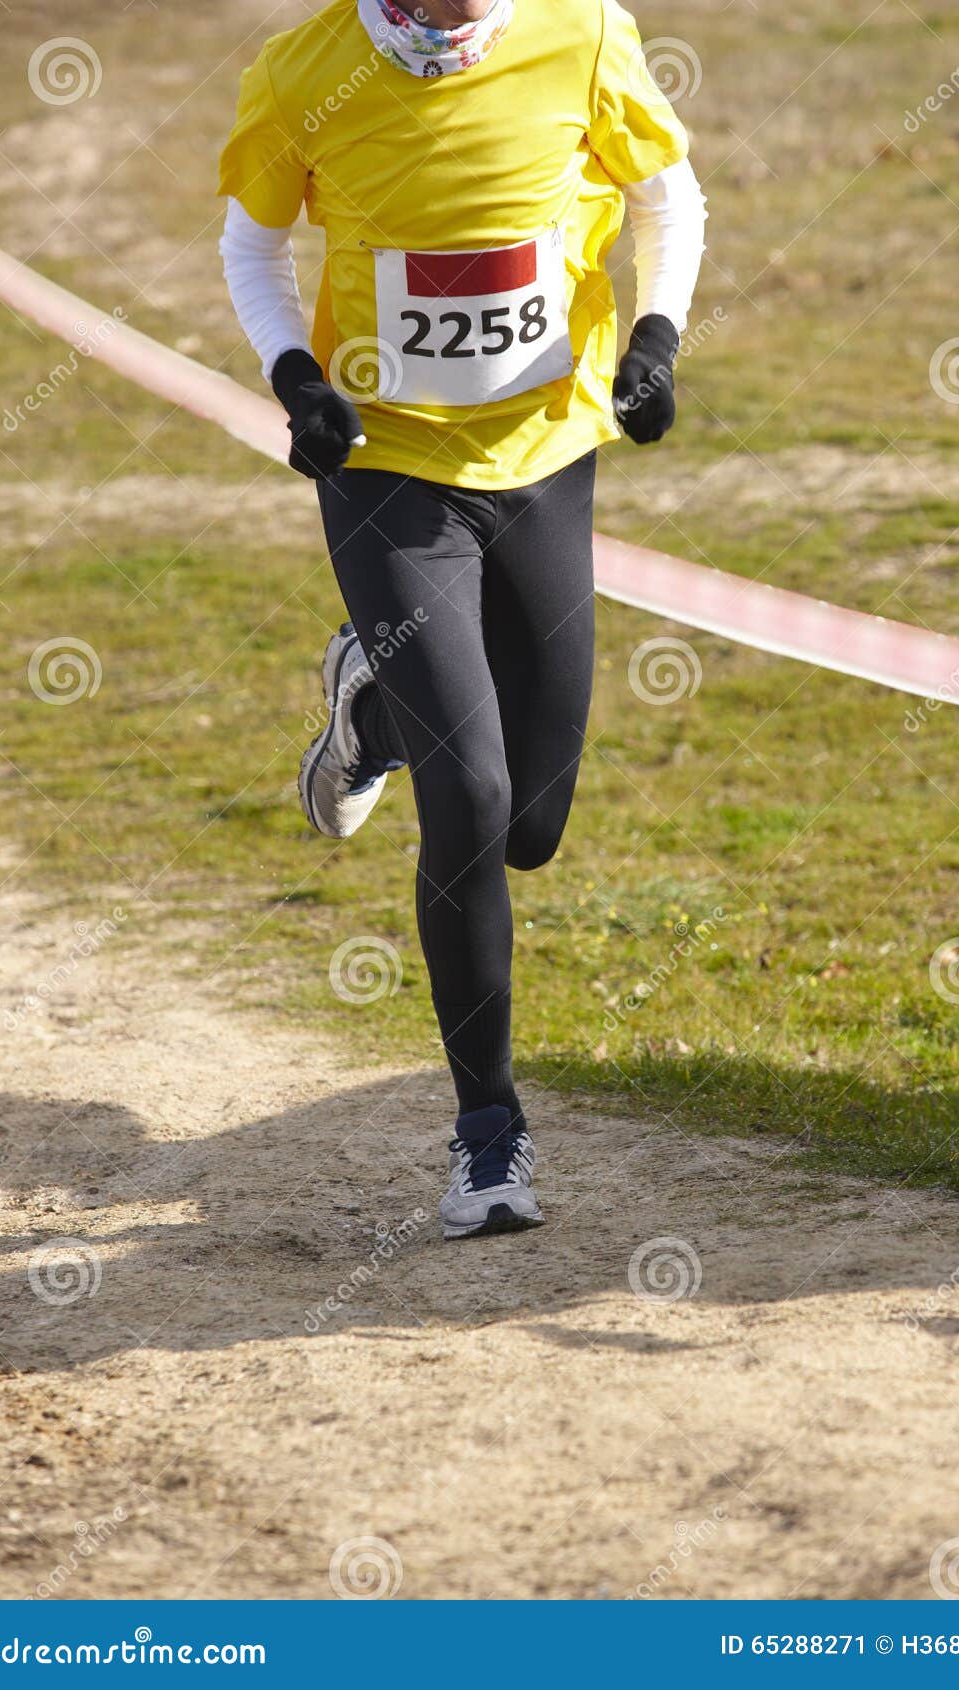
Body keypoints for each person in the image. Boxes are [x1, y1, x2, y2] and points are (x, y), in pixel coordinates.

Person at [218, 0, 706, 1239]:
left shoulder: (582, 36)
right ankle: (488, 1133)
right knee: (471, 798)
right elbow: (251, 245)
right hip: (386, 467)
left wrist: (655, 338)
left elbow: (666, 198)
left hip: (543, 456)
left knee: (529, 825)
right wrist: (296, 379)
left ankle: (374, 709)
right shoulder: (305, 70)